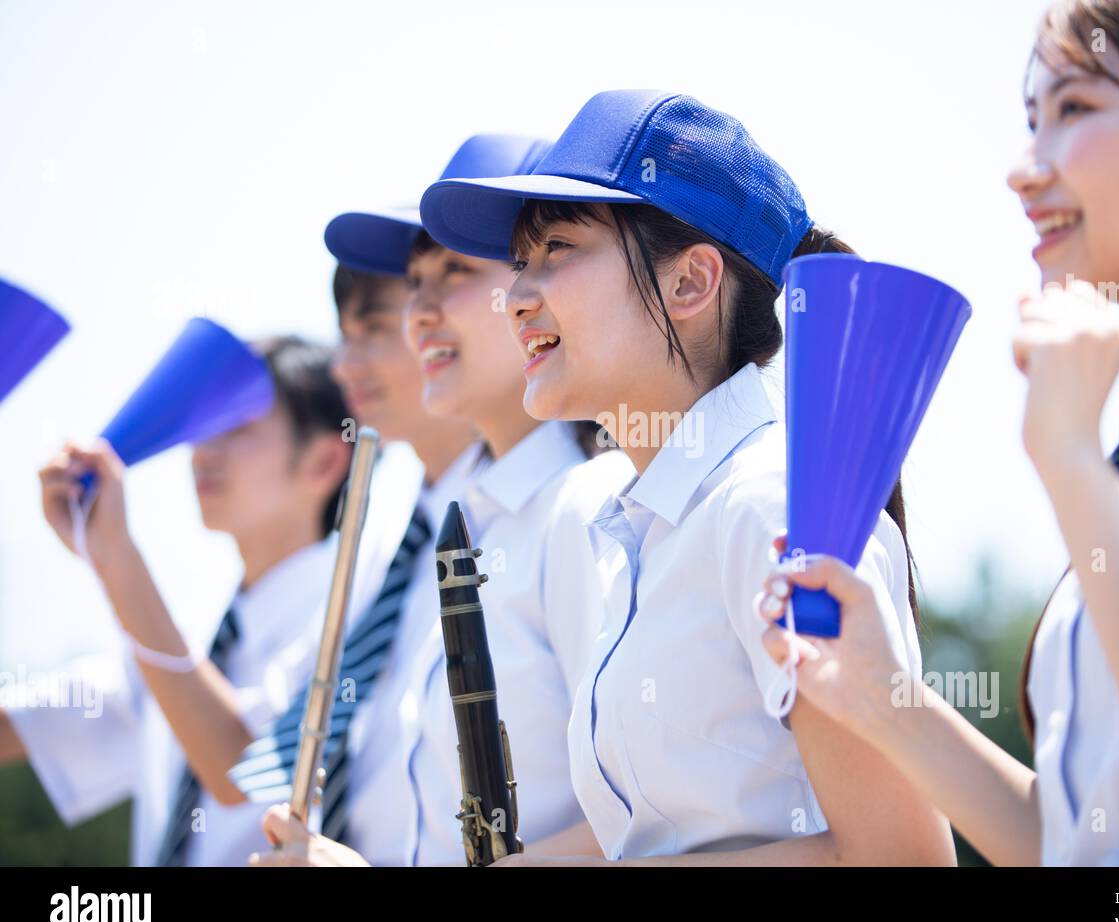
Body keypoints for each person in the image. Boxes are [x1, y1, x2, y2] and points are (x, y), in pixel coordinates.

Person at [758, 0, 1119, 866]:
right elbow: (1083, 843)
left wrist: (1073, 462)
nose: (1023, 168)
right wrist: (881, 695)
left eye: (1077, 110)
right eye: (1031, 119)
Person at [420, 90, 954, 864]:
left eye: (558, 250)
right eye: (518, 264)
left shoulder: (770, 507)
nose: (517, 298)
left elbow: (902, 857)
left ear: (692, 283)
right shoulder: (638, 530)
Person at [251, 135, 635, 866]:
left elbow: (649, 823)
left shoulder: (591, 511)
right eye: (414, 283)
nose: (416, 314)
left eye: (454, 272)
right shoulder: (460, 525)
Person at [0, 335, 351, 866]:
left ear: (325, 461)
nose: (205, 449)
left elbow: (242, 769)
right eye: (204, 426)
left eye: (237, 427)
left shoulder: (356, 621)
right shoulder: (200, 630)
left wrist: (116, 558)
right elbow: (21, 724)